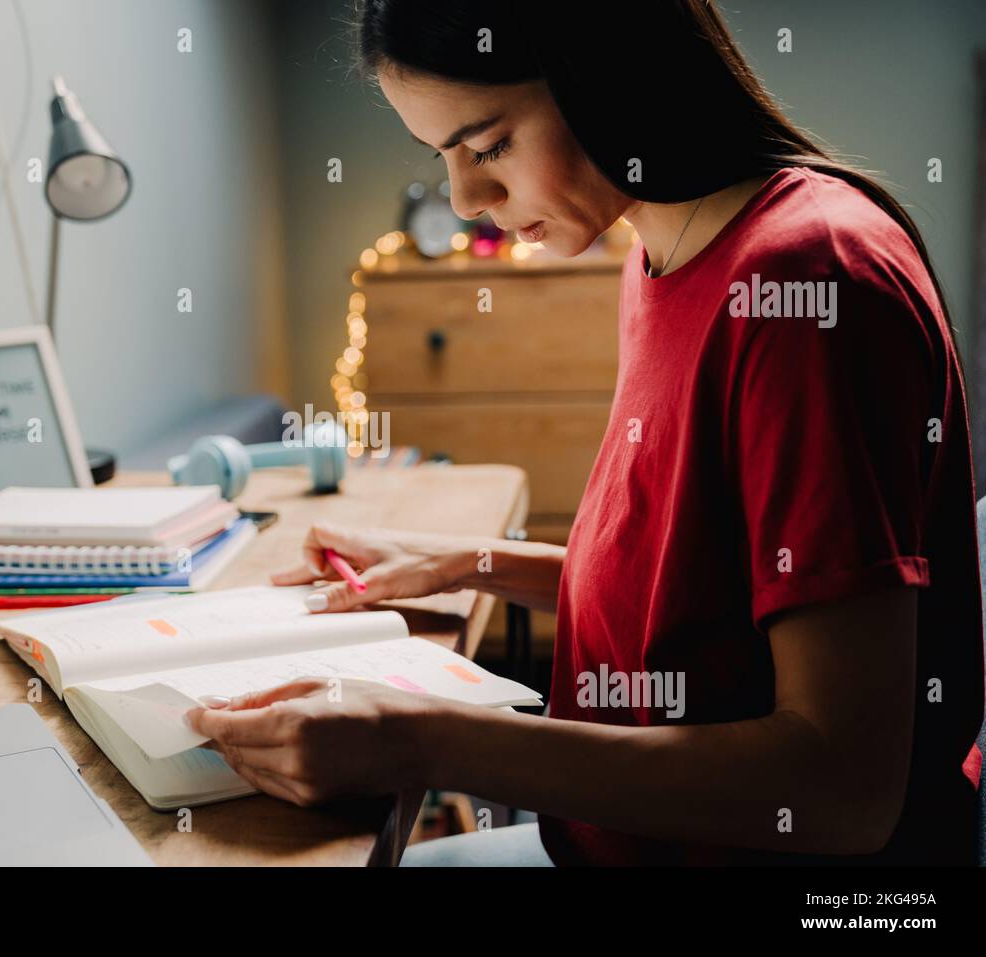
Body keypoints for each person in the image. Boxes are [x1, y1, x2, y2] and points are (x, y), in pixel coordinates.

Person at [185, 0, 984, 865]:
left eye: (488, 145)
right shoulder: (657, 249)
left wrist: (425, 741)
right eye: (444, 157)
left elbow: (842, 792)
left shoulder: (807, 284)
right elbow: (700, 593)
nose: (466, 199)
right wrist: (462, 560)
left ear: (610, 67)